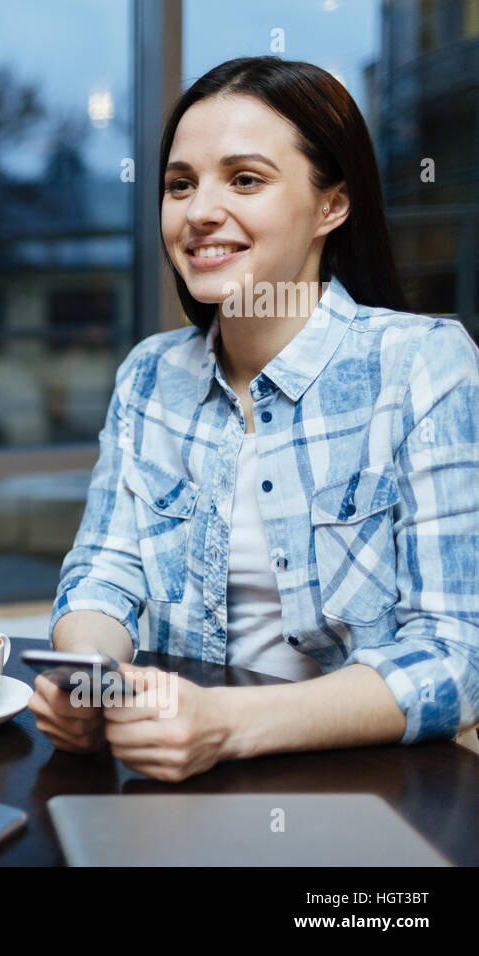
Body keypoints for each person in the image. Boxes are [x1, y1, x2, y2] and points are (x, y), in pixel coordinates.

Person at [31, 56, 479, 781]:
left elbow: (455, 658)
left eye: (245, 179)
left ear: (332, 205)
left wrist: (227, 727)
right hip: (180, 767)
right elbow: (102, 573)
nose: (200, 211)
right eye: (181, 184)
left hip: (363, 788)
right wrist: (84, 679)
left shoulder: (423, 365)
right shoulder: (150, 374)